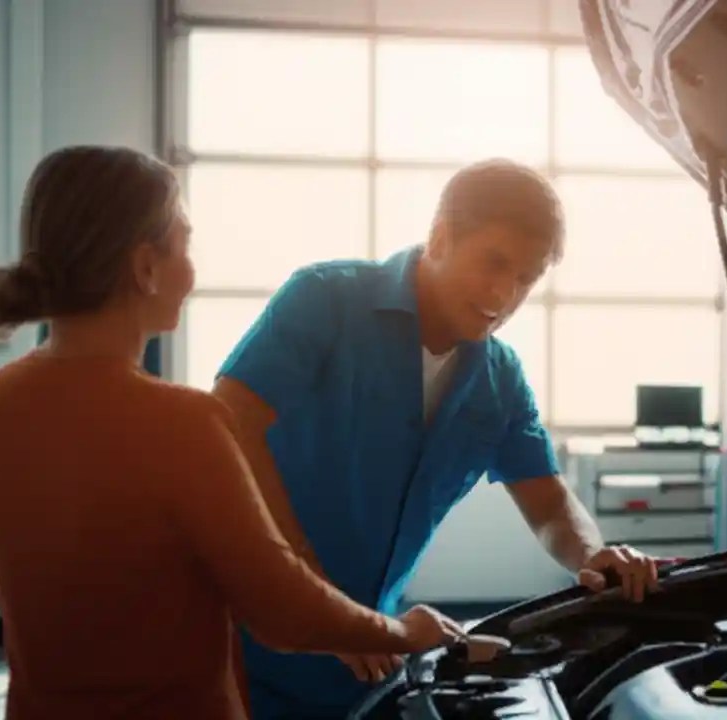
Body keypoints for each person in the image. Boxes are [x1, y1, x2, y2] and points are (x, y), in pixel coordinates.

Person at [0, 145, 466, 720]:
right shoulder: (179, 422)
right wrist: (401, 630)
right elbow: (283, 612)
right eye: (184, 240)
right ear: (145, 268)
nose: (192, 271)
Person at [213, 158, 662, 718]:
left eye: (526, 278)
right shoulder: (323, 300)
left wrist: (592, 555)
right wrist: (317, 604)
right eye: (493, 263)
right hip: (236, 643)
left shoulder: (500, 380)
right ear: (441, 237)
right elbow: (226, 426)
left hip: (366, 662)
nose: (504, 294)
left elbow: (547, 500)